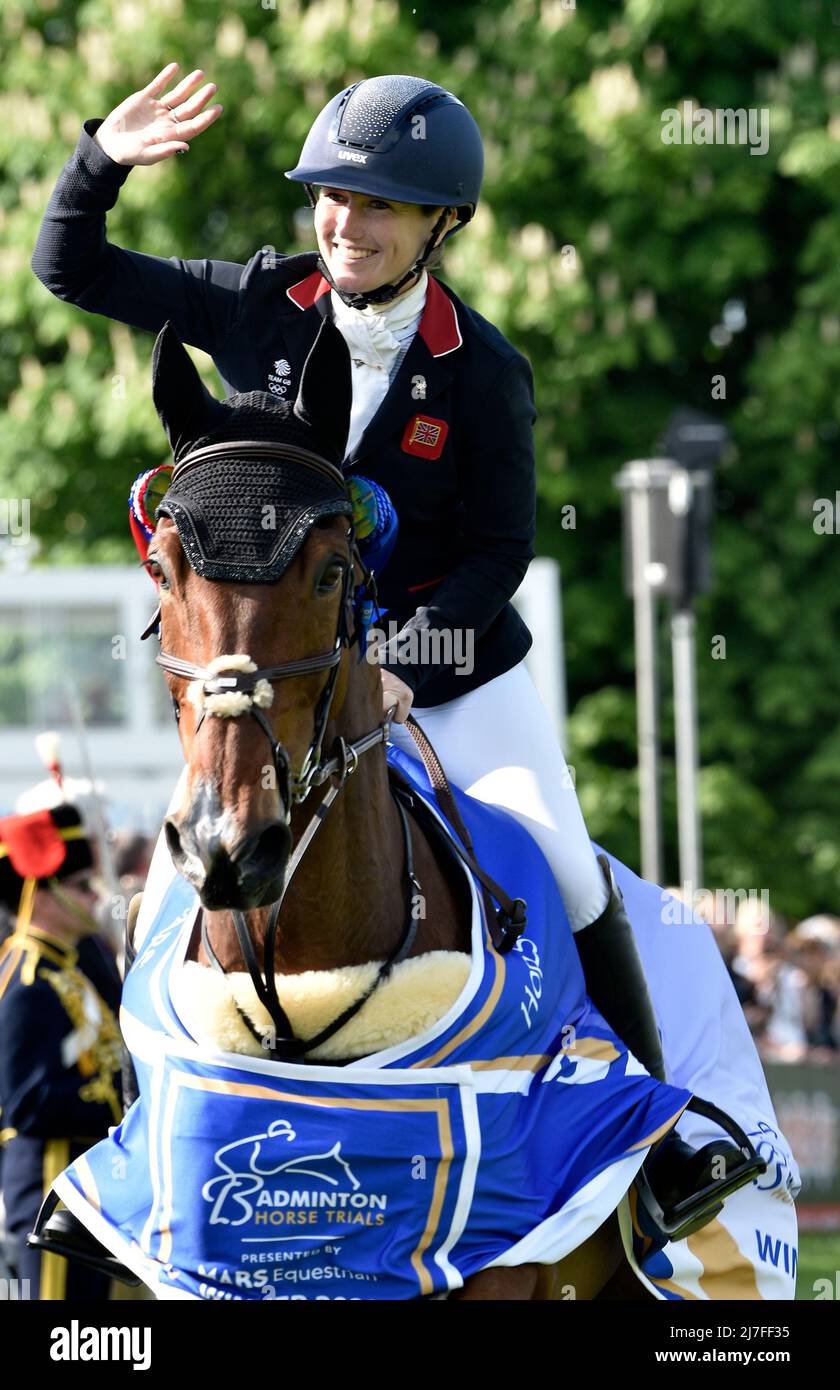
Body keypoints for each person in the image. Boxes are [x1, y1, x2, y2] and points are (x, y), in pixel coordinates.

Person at [31, 65, 740, 1214]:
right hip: (287, 676)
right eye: (331, 199)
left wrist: (407, 658)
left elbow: (500, 552)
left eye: (379, 207)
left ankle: (658, 1136)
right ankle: (141, 1124)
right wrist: (101, 158)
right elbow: (69, 267)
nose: (344, 225)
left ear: (438, 226)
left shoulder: (485, 370)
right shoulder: (263, 301)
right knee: (173, 873)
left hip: (451, 673)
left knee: (561, 857)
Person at [0, 797, 123, 1299]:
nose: (95, 896)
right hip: (50, 1193)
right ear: (41, 892)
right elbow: (27, 1101)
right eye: (81, 886)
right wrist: (119, 1104)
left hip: (87, 1188)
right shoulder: (28, 981)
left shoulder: (65, 968)